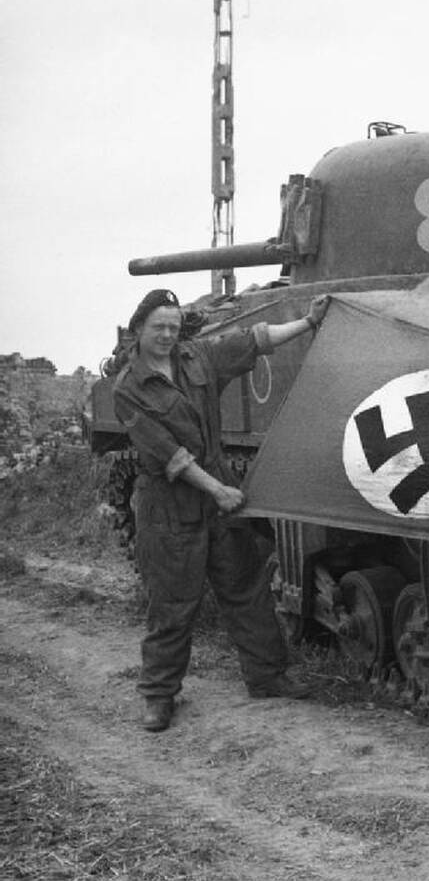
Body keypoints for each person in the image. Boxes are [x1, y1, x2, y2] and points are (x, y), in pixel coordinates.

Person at [113, 288, 329, 733]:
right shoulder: (129, 386)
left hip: (216, 496)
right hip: (172, 505)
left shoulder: (196, 358)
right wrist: (217, 490)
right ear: (139, 329)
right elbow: (166, 454)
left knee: (246, 589)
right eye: (159, 327)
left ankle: (267, 676)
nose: (167, 335)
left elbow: (254, 341)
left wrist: (307, 323)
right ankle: (159, 695)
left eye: (173, 327)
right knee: (172, 602)